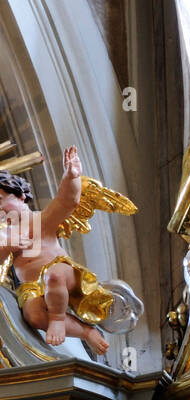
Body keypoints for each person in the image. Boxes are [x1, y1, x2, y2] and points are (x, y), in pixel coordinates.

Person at [0, 149, 111, 354]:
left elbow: (66, 201)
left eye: (0, 199)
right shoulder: (5, 235)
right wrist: (8, 246)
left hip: (59, 271)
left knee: (55, 276)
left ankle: (58, 318)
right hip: (30, 286)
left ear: (21, 197)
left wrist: (72, 176)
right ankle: (85, 332)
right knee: (33, 315)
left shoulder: (41, 220)